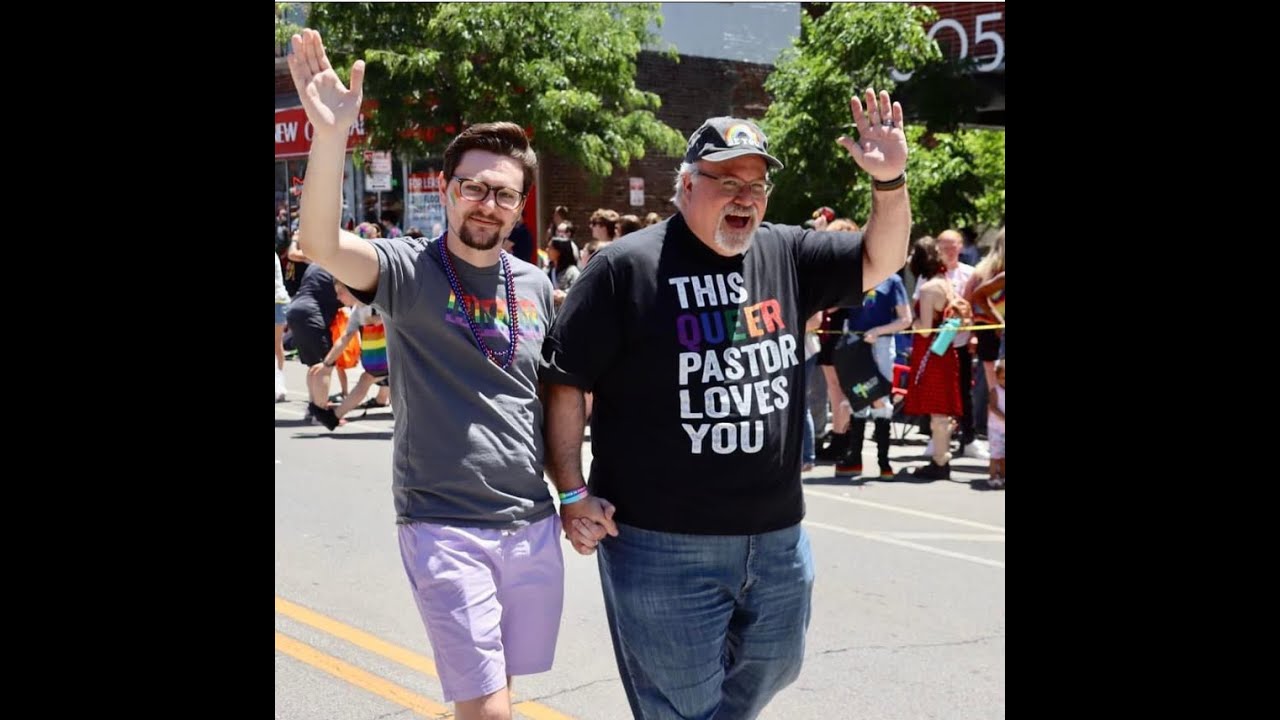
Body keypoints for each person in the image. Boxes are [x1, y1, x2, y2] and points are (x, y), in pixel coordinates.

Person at [542, 90, 911, 720]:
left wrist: (889, 183)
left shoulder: (785, 250)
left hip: (776, 536)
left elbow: (884, 256)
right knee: (681, 704)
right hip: (661, 543)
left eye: (758, 183)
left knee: (777, 667)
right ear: (686, 185)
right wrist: (572, 491)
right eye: (727, 179)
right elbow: (566, 382)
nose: (746, 195)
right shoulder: (624, 268)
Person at [287, 29, 614, 720]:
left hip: (529, 525)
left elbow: (555, 399)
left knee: (495, 697)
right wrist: (329, 134)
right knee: (491, 710)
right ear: (446, 187)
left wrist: (573, 494)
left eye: (502, 193)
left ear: (519, 203)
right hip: (443, 523)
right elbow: (318, 242)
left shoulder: (534, 284)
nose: (485, 203)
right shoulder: (406, 270)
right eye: (472, 187)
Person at [986, 357, 1005, 489]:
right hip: (996, 429)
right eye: (1003, 377)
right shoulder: (995, 391)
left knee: (1003, 456)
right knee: (995, 455)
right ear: (998, 378)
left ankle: (1003, 476)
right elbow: (992, 407)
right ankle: (993, 476)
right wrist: (1002, 416)